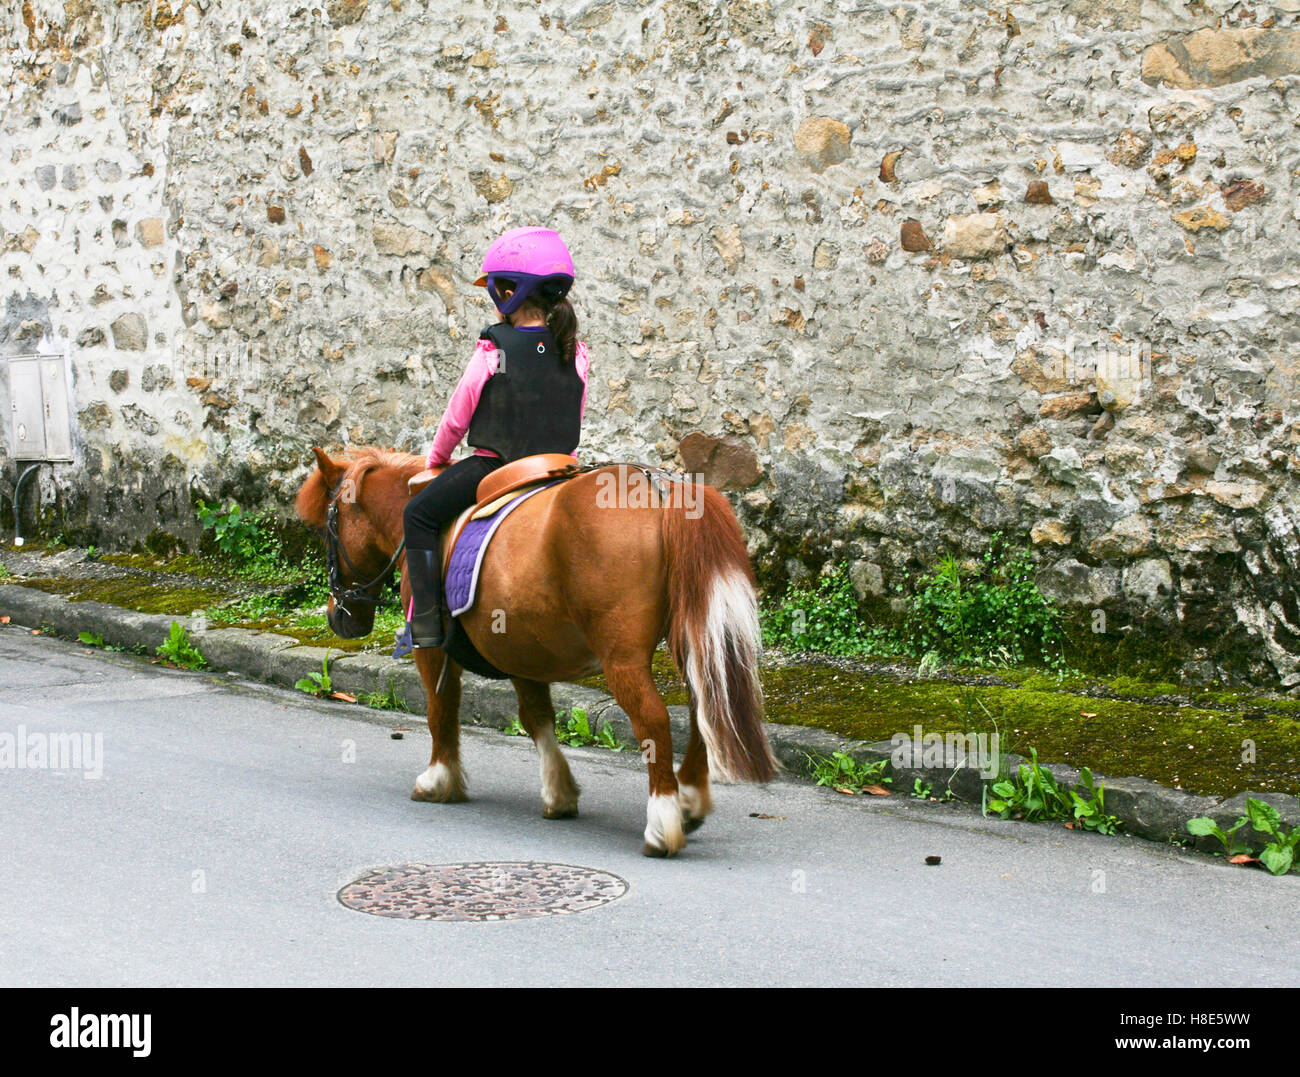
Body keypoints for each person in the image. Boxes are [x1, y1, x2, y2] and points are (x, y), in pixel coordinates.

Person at [401, 226, 590, 649]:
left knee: (418, 514)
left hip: (496, 465)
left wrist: (437, 459)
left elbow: (457, 416)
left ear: (508, 291)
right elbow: (573, 413)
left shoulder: (493, 347)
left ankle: (427, 625)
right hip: (560, 467)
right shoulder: (574, 350)